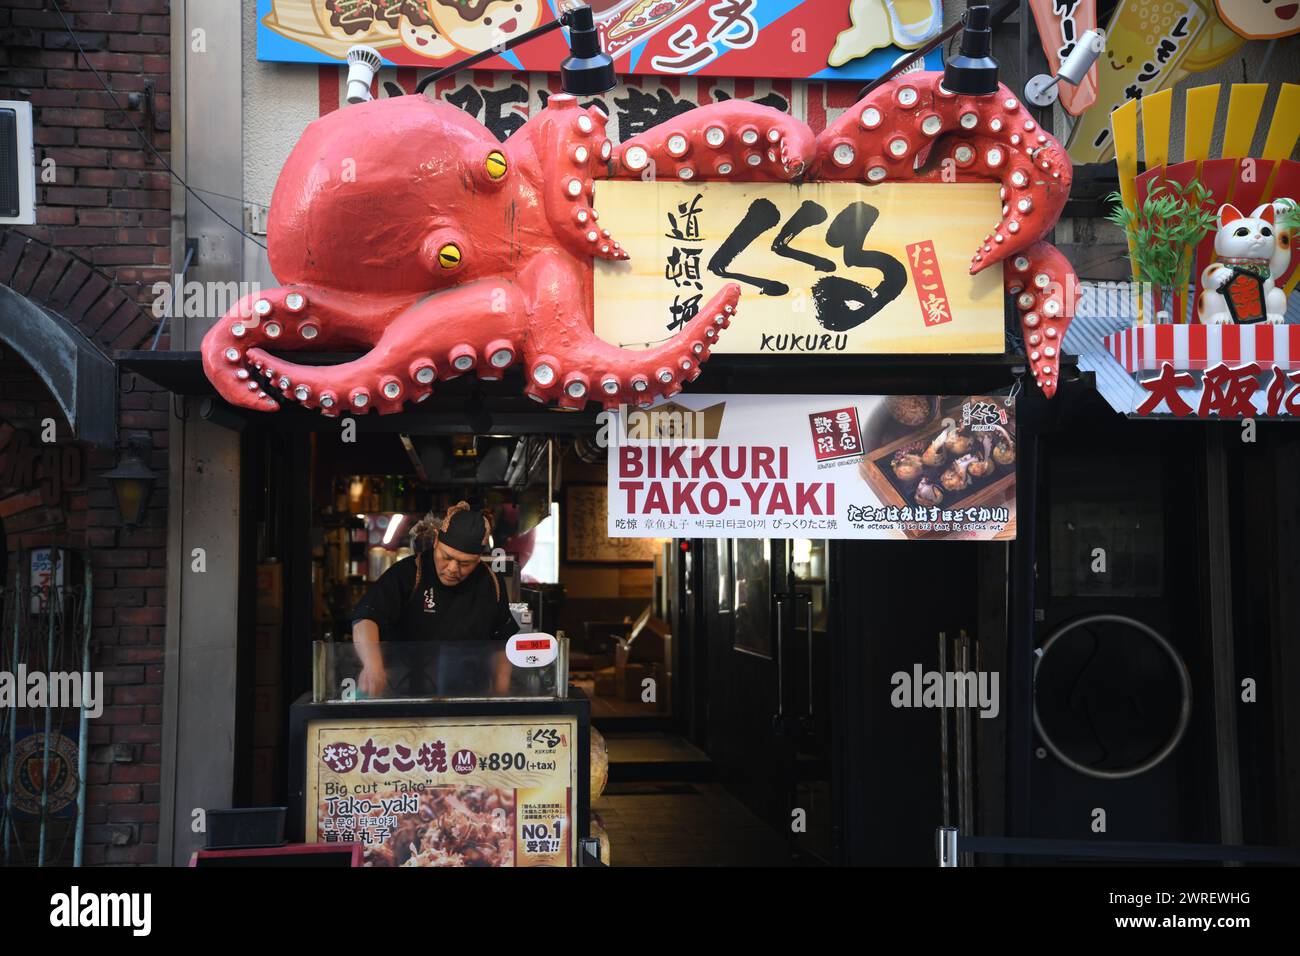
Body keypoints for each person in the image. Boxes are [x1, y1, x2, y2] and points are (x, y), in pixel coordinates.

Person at [351, 502, 519, 696]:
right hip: (405, 695)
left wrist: (501, 694)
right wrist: (372, 666)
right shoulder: (409, 573)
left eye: (465, 563)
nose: (453, 569)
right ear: (437, 541)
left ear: (479, 558)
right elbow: (366, 618)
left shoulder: (492, 584)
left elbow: (502, 644)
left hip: (468, 697)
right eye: (446, 557)